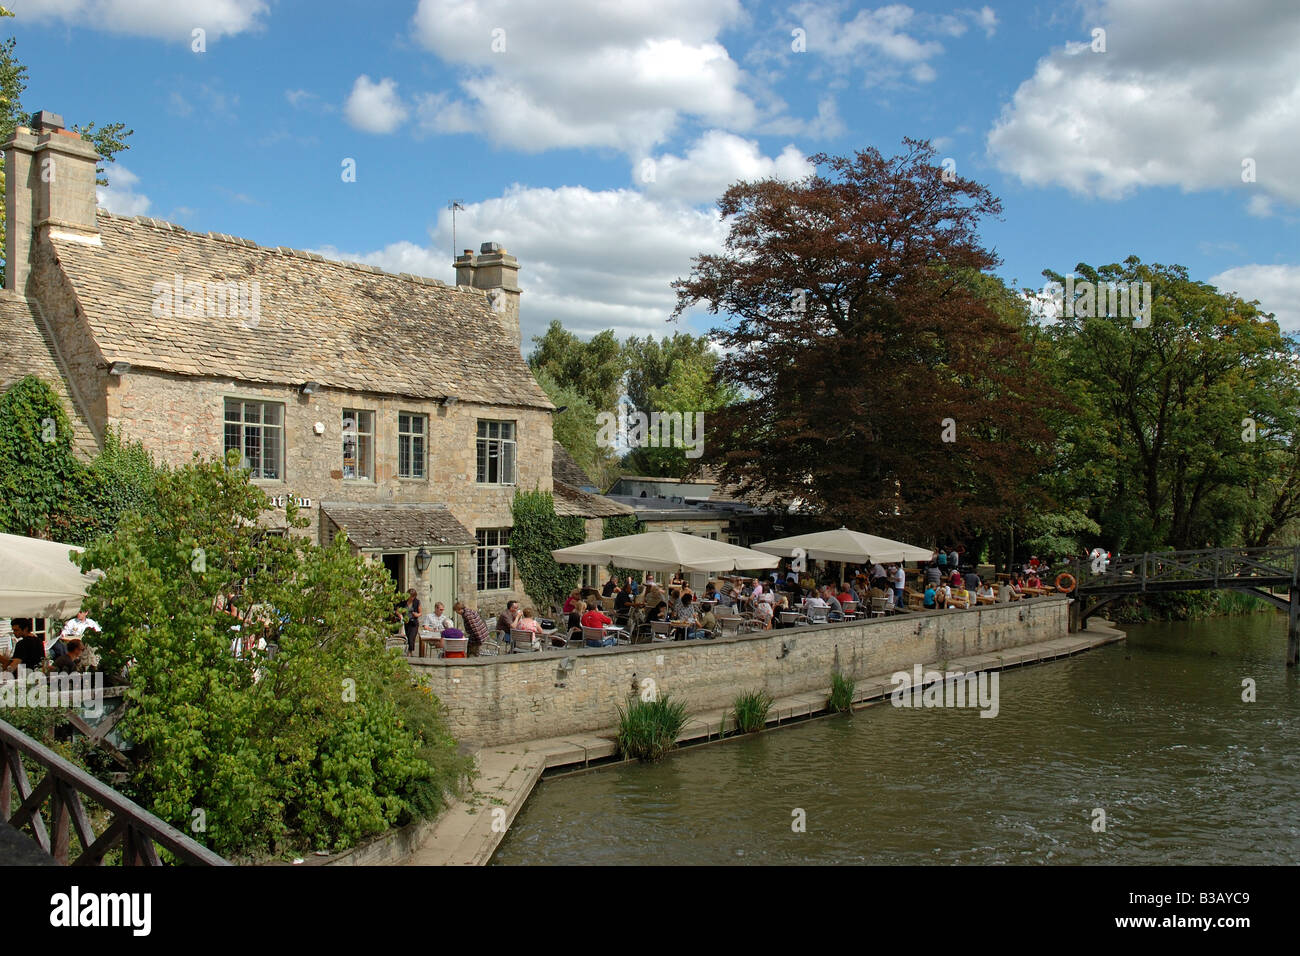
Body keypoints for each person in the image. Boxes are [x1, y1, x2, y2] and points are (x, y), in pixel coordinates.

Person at [403, 589, 422, 654]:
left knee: (412, 637)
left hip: (414, 623)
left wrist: (416, 614)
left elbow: (420, 613)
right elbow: (398, 610)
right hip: (407, 622)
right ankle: (410, 650)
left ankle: (410, 651)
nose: (411, 598)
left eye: (412, 597)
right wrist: (401, 615)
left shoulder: (417, 602)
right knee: (408, 637)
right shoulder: (403, 601)